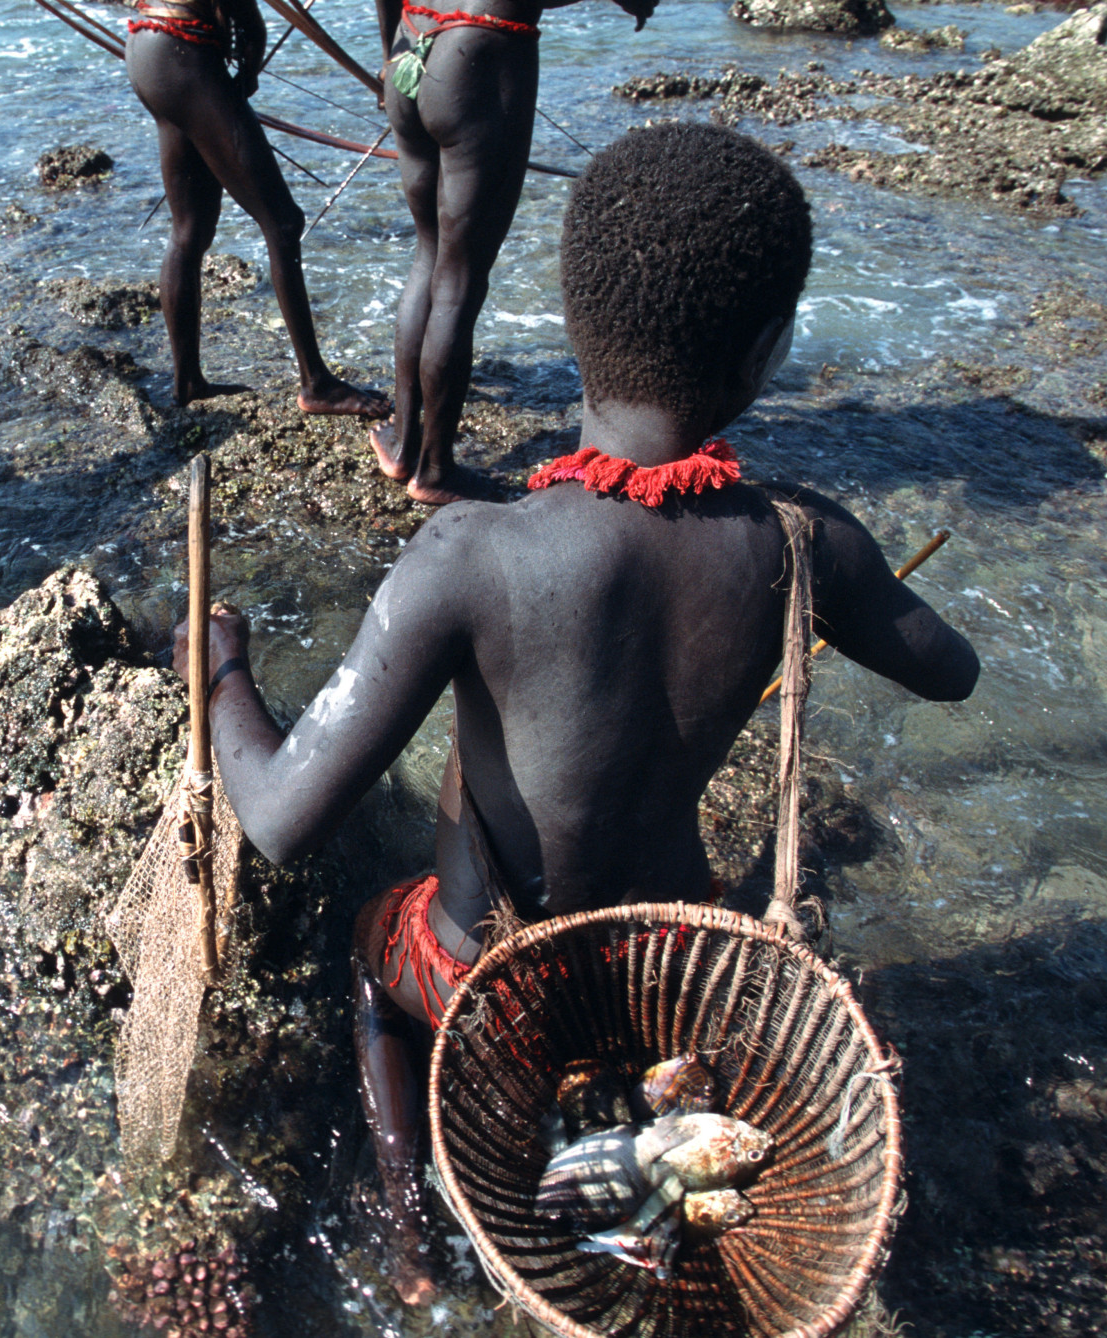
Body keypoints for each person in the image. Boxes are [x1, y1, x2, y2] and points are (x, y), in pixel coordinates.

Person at [174, 123, 979, 1302]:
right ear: (763, 353)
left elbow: (281, 817)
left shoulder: (474, 554)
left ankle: (412, 1237)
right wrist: (831, 590)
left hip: (488, 977)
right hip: (668, 962)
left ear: (567, 322)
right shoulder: (804, 538)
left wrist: (221, 674)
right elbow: (949, 672)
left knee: (367, 942)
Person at [367, 0, 656, 504]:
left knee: (428, 254)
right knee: (459, 279)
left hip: (409, 42)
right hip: (477, 52)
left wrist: (388, 51)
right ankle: (436, 472)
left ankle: (402, 445)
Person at [126, 0, 388, 416]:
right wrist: (248, 68)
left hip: (148, 49)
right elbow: (244, 16)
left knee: (190, 230)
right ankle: (316, 384)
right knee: (284, 223)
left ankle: (187, 382)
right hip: (185, 55)